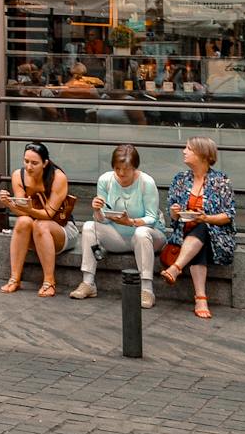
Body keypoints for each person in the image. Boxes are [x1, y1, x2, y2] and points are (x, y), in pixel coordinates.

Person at [69, 144, 164, 306]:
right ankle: (88, 282)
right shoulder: (105, 180)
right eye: (117, 168)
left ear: (135, 167)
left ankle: (147, 290)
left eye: (126, 169)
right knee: (88, 227)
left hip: (149, 236)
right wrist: (97, 210)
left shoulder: (146, 182)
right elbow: (103, 219)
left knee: (141, 233)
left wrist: (131, 222)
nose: (121, 173)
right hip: (117, 234)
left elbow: (151, 218)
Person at [160, 136, 236, 320]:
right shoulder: (180, 179)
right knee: (199, 233)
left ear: (202, 154)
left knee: (203, 227)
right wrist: (175, 211)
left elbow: (228, 215)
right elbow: (173, 217)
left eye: (189, 149)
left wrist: (206, 217)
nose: (184, 151)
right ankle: (201, 299)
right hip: (183, 234)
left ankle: (176, 268)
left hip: (216, 237)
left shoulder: (220, 180)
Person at [0, 140, 73, 296]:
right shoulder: (18, 176)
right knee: (23, 221)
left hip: (62, 229)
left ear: (45, 163)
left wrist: (28, 209)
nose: (29, 167)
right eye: (26, 161)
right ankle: (14, 278)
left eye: (34, 163)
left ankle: (49, 282)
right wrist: (9, 204)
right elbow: (22, 212)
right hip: (34, 229)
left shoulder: (58, 177)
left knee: (42, 224)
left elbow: (48, 215)